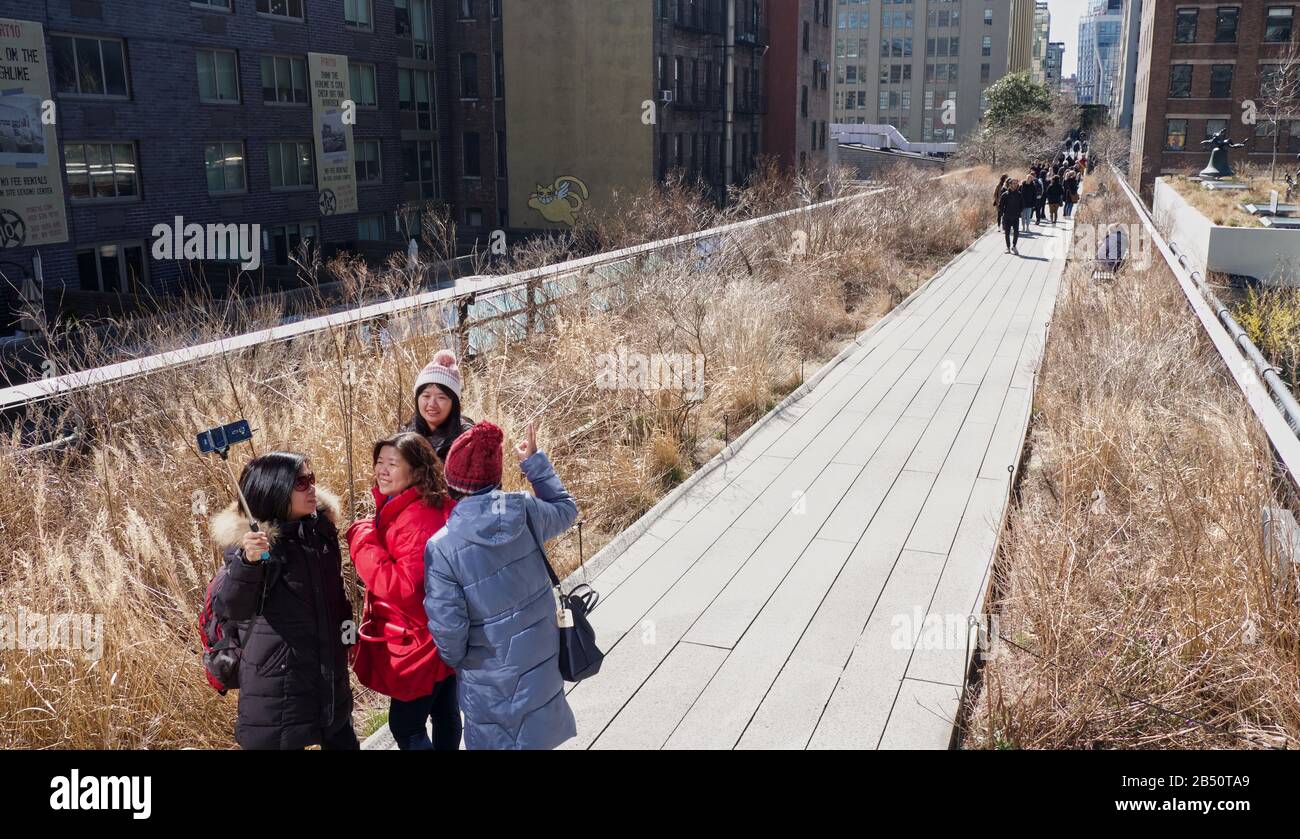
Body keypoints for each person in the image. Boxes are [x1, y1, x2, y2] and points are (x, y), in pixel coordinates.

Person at [423, 421, 579, 750]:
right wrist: (535, 463)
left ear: (451, 482)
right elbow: (566, 510)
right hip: (540, 659)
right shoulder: (524, 509)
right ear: (495, 476)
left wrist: (464, 660)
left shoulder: (442, 547)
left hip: (488, 678)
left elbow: (449, 636)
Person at [211, 453, 357, 750]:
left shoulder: (320, 532)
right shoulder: (256, 546)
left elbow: (339, 598)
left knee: (342, 738)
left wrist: (349, 639)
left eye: (311, 479)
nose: (312, 488)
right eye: (301, 483)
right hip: (277, 683)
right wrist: (249, 562)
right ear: (274, 491)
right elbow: (231, 607)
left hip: (327, 674)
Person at [346, 432, 459, 750]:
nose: (381, 470)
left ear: (418, 472)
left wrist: (361, 538)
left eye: (392, 464)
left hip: (417, 641)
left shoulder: (417, 519)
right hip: (437, 632)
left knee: (405, 724)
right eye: (379, 462)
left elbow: (403, 587)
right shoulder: (419, 505)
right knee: (444, 711)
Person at [406, 349, 475, 462]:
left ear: (454, 403)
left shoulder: (468, 438)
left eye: (441, 397)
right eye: (426, 396)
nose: (432, 404)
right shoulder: (407, 434)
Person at [998, 178, 1023, 255]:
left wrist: (1019, 212)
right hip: (1007, 217)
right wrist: (1003, 214)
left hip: (1016, 217)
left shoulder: (1019, 194)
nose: (1015, 185)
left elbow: (1022, 205)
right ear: (1010, 184)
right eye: (1014, 183)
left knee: (1016, 232)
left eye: (1016, 183)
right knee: (1007, 233)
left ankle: (1014, 246)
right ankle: (1008, 248)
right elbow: (1000, 206)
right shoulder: (1005, 194)